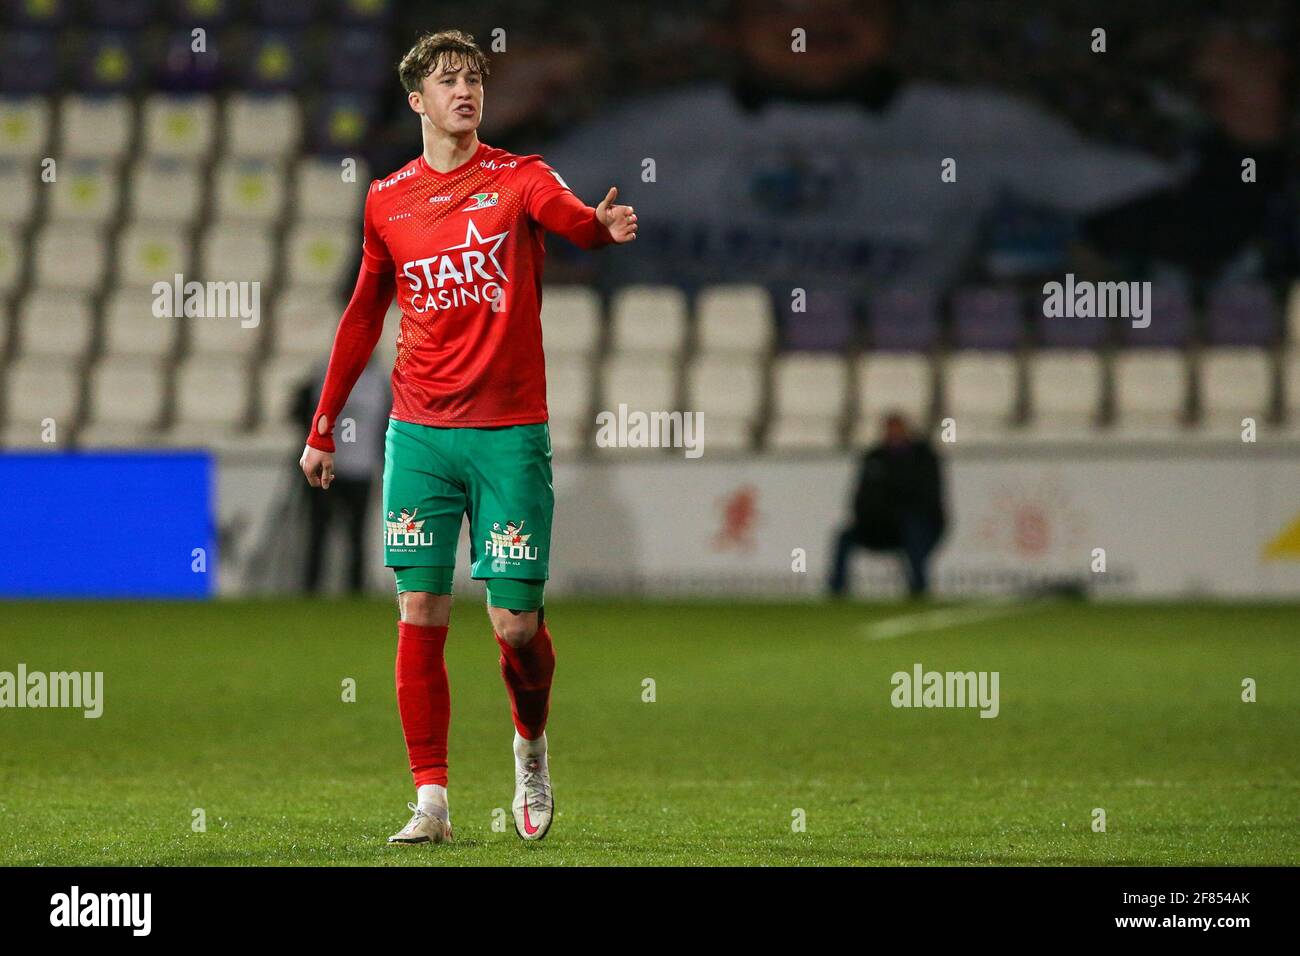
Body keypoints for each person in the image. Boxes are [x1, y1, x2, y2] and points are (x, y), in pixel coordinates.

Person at [297, 30, 637, 845]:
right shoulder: (387, 199)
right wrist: (322, 426)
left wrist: (596, 223)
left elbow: (570, 221)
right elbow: (361, 316)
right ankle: (432, 803)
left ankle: (530, 747)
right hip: (419, 434)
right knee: (419, 607)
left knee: (516, 627)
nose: (467, 89)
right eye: (449, 80)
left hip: (508, 435)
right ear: (417, 101)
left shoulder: (520, 180)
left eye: (475, 77)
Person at [292, 357, 389, 594]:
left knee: (355, 533)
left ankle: (354, 588)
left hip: (360, 469)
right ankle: (312, 587)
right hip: (329, 466)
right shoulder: (324, 372)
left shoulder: (378, 380)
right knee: (318, 532)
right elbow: (299, 411)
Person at [830, 412, 946, 598]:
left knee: (913, 530)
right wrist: (872, 517)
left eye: (897, 429)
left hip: (918, 523)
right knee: (844, 536)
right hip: (880, 525)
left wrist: (896, 509)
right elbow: (861, 498)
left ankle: (919, 589)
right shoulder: (874, 457)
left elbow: (927, 498)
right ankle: (836, 589)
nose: (893, 434)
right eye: (889, 430)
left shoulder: (924, 457)